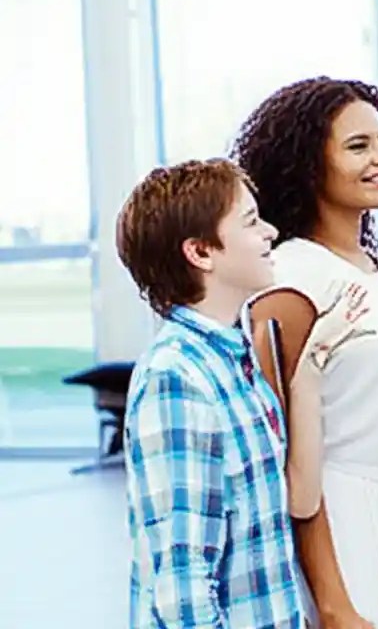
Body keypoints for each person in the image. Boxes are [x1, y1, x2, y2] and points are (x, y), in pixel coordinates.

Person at [232, 77, 378, 629]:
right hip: (349, 523)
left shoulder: (370, 268)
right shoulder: (292, 277)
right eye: (358, 146)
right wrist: (332, 601)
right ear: (308, 165)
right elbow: (285, 457)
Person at [118, 159, 309, 628]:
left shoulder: (233, 358)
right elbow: (184, 588)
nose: (270, 232)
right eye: (250, 221)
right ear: (201, 252)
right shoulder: (176, 378)